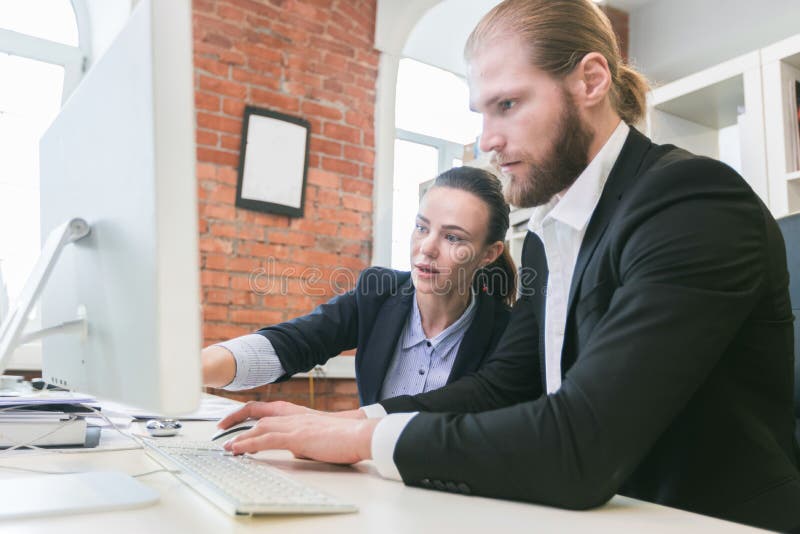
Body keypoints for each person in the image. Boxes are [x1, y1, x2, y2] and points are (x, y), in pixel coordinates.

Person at [217, 0, 800, 530]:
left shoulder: (689, 201)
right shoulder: (548, 239)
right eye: (481, 112)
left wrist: (365, 437)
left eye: (508, 105)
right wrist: (347, 427)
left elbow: (583, 443)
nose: (487, 141)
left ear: (591, 81)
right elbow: (502, 388)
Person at [202, 166, 516, 406]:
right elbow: (293, 343)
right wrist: (190, 369)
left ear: (489, 254)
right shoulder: (377, 294)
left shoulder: (508, 335)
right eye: (422, 227)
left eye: (452, 237)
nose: (427, 248)